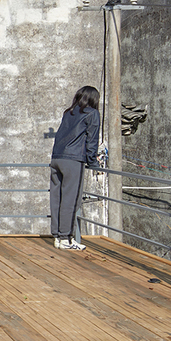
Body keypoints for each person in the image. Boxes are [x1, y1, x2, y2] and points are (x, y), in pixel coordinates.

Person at [49, 85, 101, 251]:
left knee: (57, 198)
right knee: (71, 200)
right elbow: (92, 141)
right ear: (94, 99)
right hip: (73, 161)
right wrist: (93, 162)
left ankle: (58, 237)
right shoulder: (92, 113)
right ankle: (66, 238)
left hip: (57, 158)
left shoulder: (68, 112)